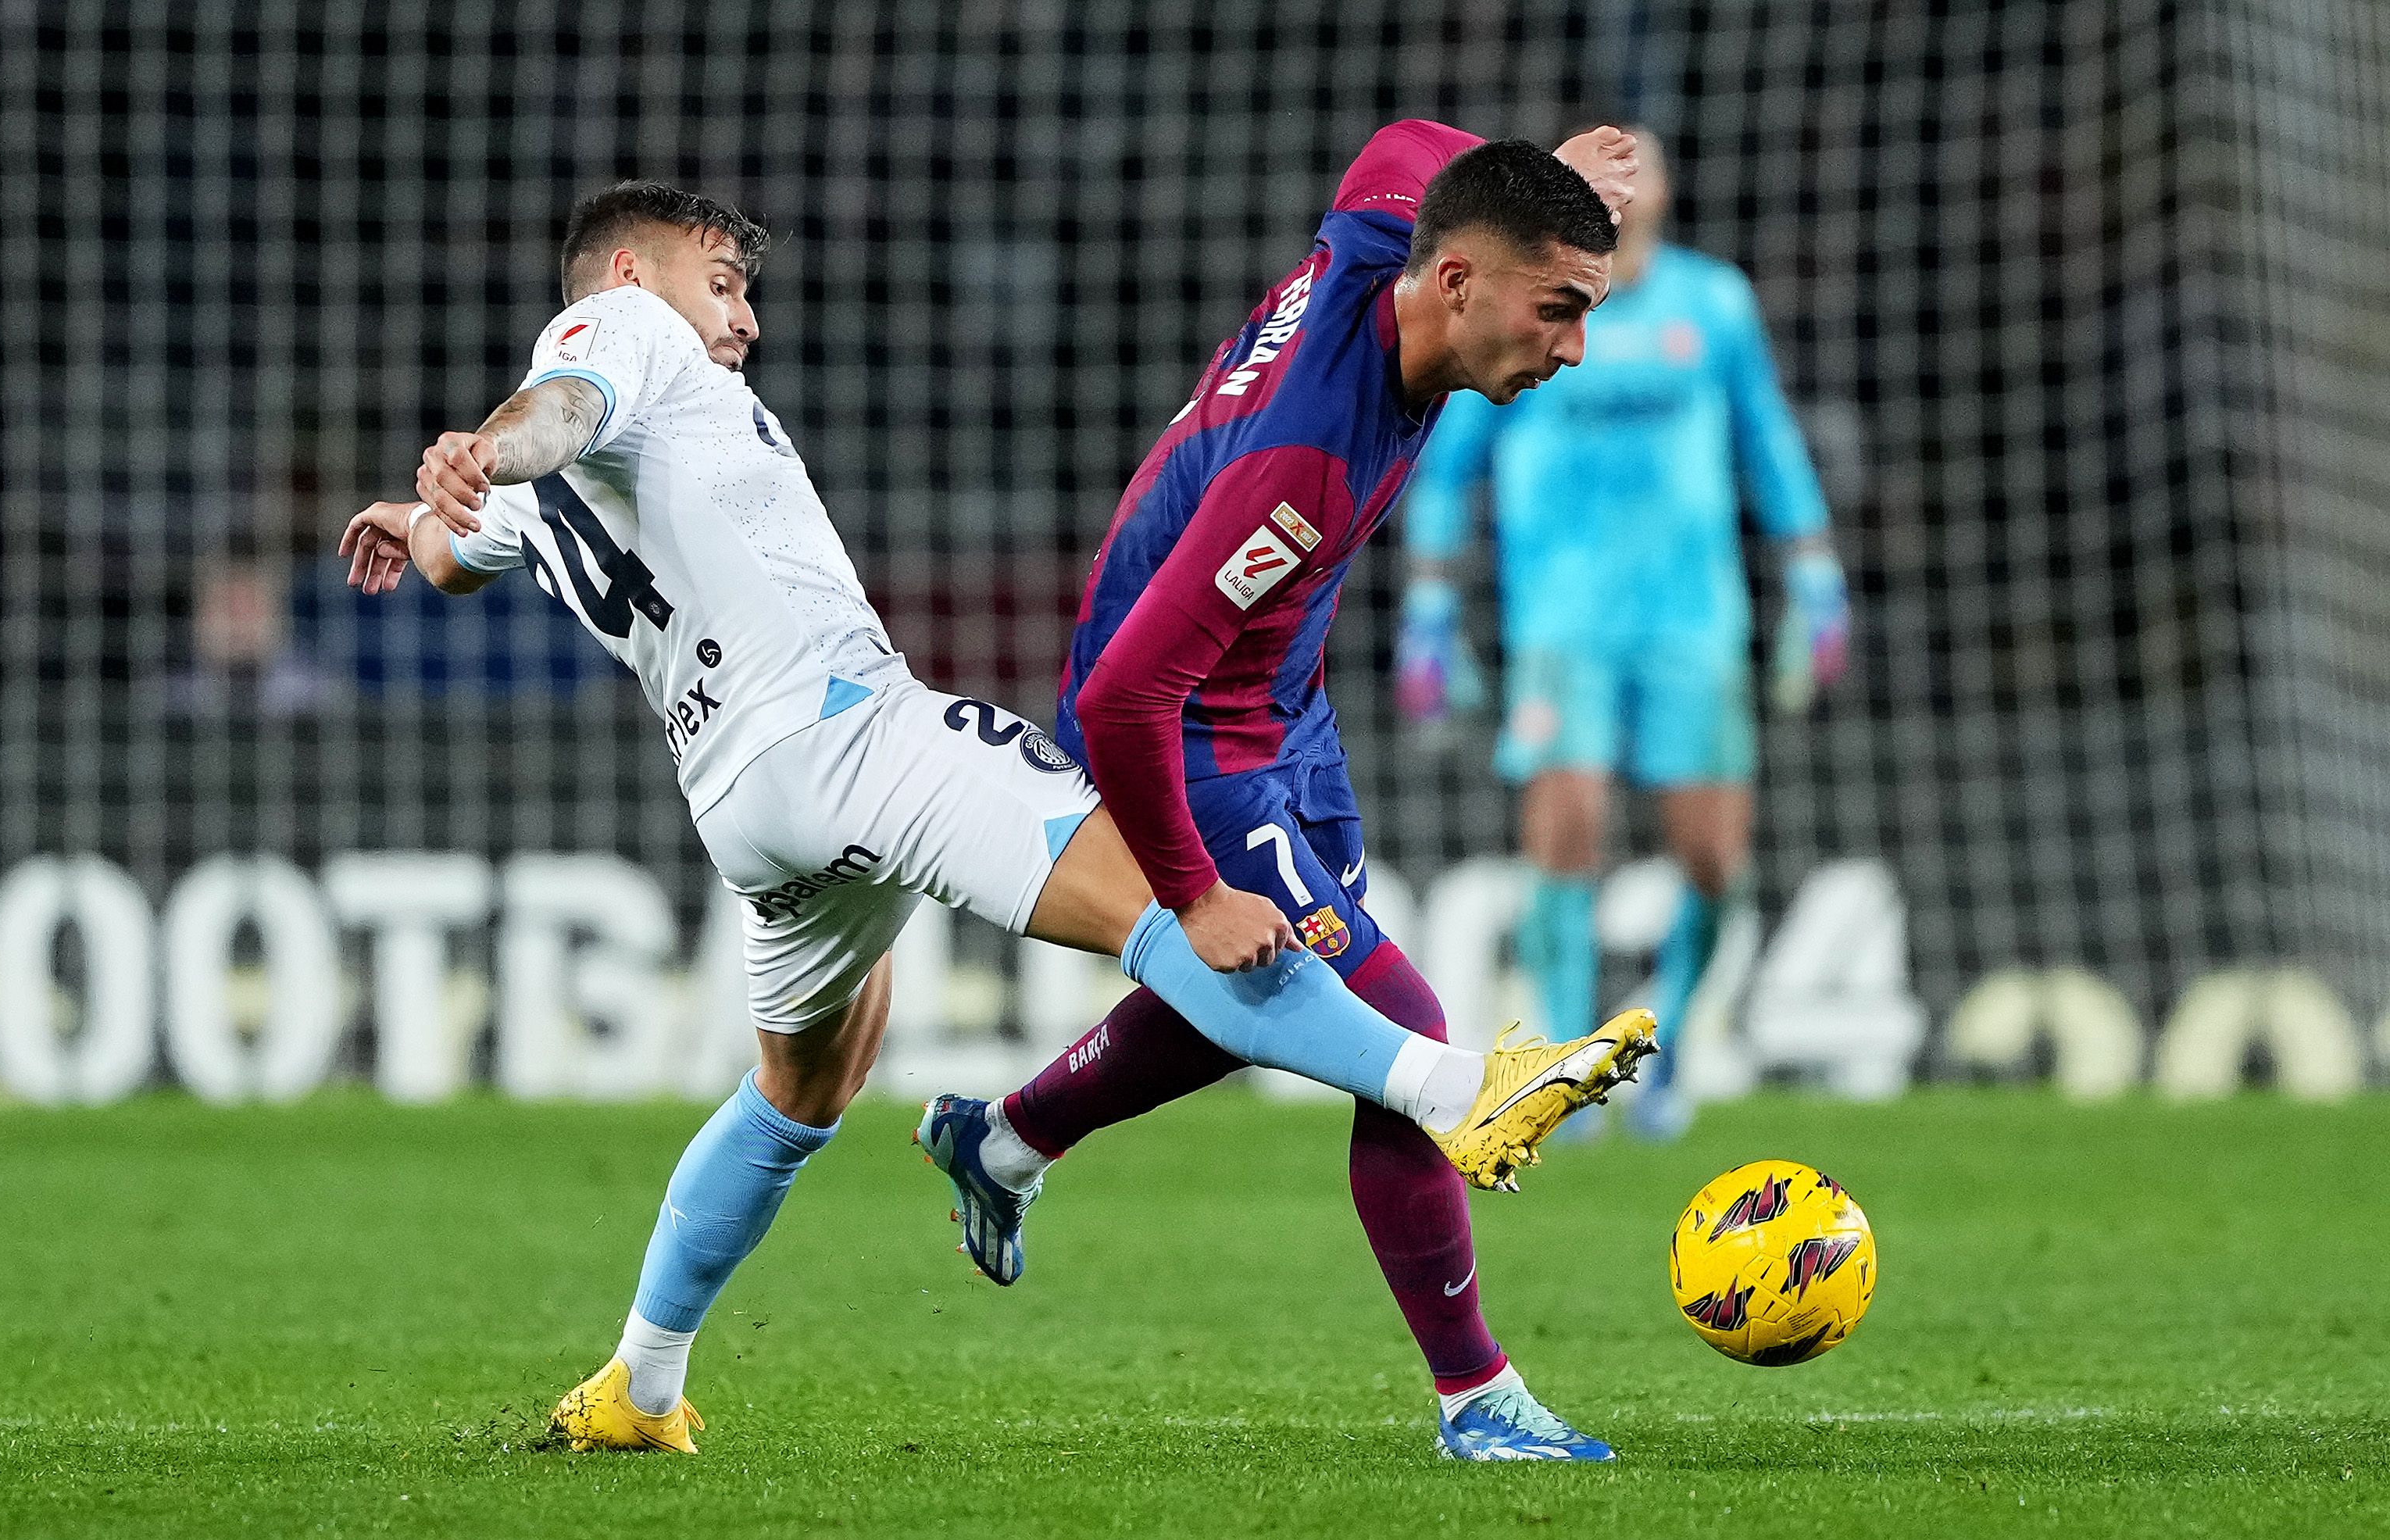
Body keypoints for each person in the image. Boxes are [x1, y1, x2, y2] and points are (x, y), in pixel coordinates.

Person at [338, 180, 1637, 1455]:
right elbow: (564, 402)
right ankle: (1451, 1084)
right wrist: (488, 443)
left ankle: (641, 1378)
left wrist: (420, 513)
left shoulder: (580, 466)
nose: (742, 323)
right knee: (1171, 903)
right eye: (721, 286)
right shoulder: (621, 338)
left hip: (740, 802)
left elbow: (462, 552)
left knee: (805, 1085)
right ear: (630, 276)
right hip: (850, 733)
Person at [917, 123, 1655, 1463]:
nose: (1571, 347)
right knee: (1399, 1035)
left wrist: (1526, 176)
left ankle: (1004, 1142)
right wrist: (1191, 892)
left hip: (1279, 699)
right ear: (1456, 287)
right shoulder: (1302, 472)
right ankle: (1475, 1399)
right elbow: (1118, 699)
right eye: (1558, 310)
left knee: (1274, 996)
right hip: (1189, 727)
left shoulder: (1387, 235)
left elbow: (1397, 149)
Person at [1396, 130, 1849, 1139]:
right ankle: (1565, 1059)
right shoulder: (1532, 308)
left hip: (1692, 621)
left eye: (1642, 172)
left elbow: (1765, 438)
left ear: (1664, 196)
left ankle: (1675, 1040)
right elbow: (1451, 451)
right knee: (1566, 831)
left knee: (1710, 861)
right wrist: (1429, 602)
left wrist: (1813, 571)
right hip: (1562, 623)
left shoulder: (1712, 303)